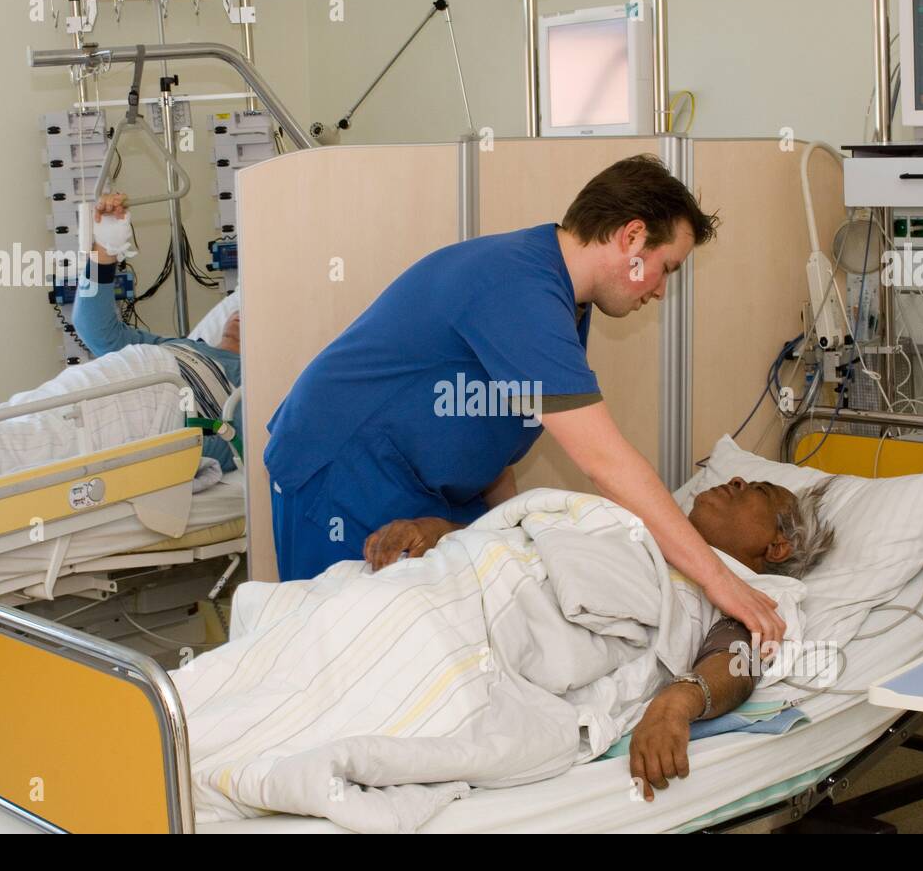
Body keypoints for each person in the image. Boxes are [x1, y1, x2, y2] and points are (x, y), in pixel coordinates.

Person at [265, 155, 787, 646]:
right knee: (342, 651)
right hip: (344, 478)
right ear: (632, 236)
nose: (660, 291)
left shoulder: (565, 300)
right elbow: (603, 459)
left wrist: (506, 535)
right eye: (667, 268)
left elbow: (499, 430)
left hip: (423, 487)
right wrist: (722, 583)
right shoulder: (520, 288)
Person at [627, 476, 835, 801]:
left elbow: (738, 656)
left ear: (777, 547)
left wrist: (674, 706)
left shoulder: (758, 591)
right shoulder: (646, 536)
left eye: (759, 490)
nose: (736, 479)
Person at [72, 193, 243, 471]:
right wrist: (105, 251)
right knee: (12, 425)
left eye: (256, 313)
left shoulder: (251, 387)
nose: (241, 313)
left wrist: (162, 459)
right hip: (102, 383)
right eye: (242, 307)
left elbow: (234, 447)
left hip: (143, 419)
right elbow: (95, 329)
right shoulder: (180, 346)